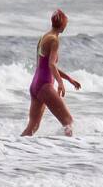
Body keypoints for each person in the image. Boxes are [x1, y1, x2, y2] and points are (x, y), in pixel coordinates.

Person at [21, 8, 81, 137]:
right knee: (68, 122)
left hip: (35, 85)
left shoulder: (44, 37)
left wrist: (68, 78)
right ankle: (70, 154)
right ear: (63, 24)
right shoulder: (54, 40)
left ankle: (13, 149)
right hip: (44, 86)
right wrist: (60, 83)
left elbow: (45, 65)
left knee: (32, 128)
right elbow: (52, 64)